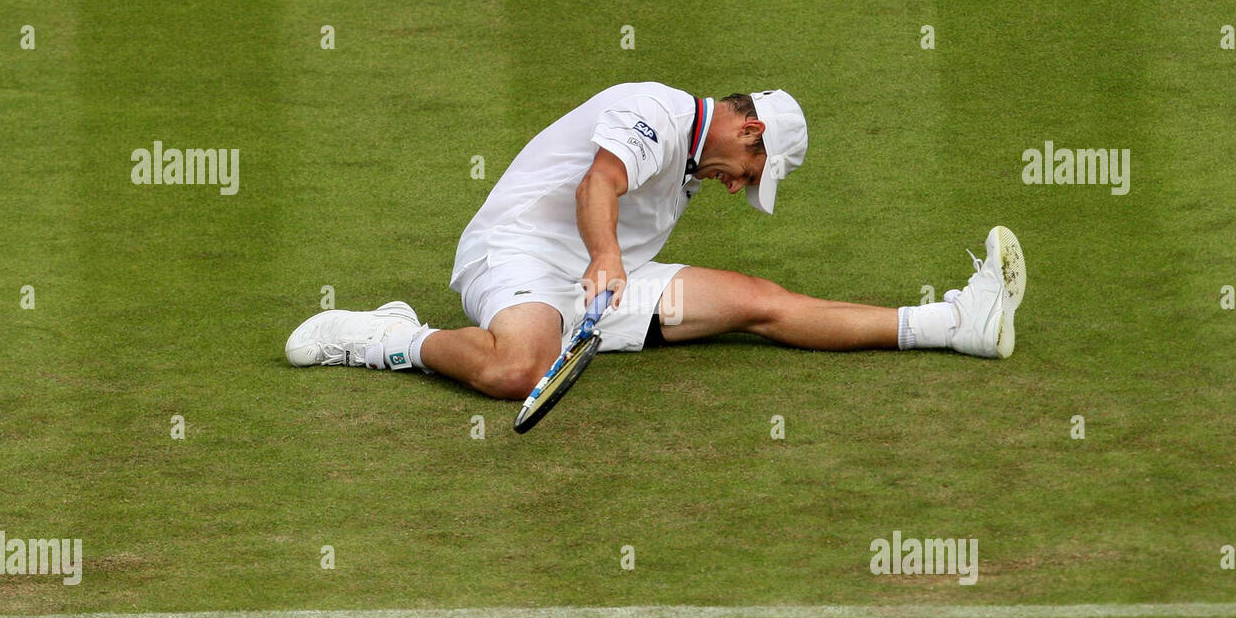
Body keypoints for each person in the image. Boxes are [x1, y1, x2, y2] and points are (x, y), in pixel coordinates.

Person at [285, 82, 1026, 398]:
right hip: (515, 255)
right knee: (516, 369)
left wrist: (606, 266)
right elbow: (597, 185)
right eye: (750, 173)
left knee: (759, 302)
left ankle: (954, 323)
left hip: (596, 275)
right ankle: (391, 337)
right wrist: (606, 258)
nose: (739, 188)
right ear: (751, 129)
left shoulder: (698, 163)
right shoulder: (657, 112)